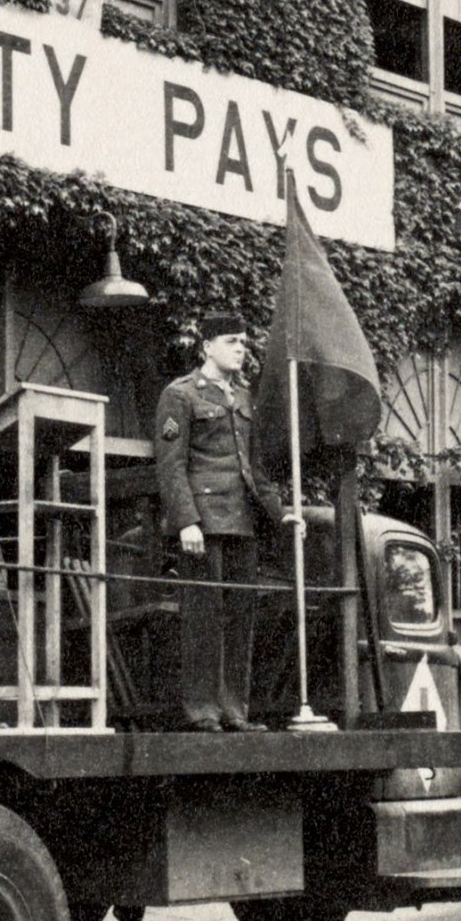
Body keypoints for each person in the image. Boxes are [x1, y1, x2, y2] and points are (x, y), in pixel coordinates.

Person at [154, 312, 281, 733]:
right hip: (204, 524)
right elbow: (171, 466)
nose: (241, 348)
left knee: (240, 618)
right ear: (207, 347)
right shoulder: (181, 394)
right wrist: (187, 520)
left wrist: (282, 514)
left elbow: (256, 467)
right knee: (203, 616)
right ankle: (203, 710)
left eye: (244, 342)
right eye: (231, 341)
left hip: (243, 521)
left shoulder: (244, 398)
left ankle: (234, 710)